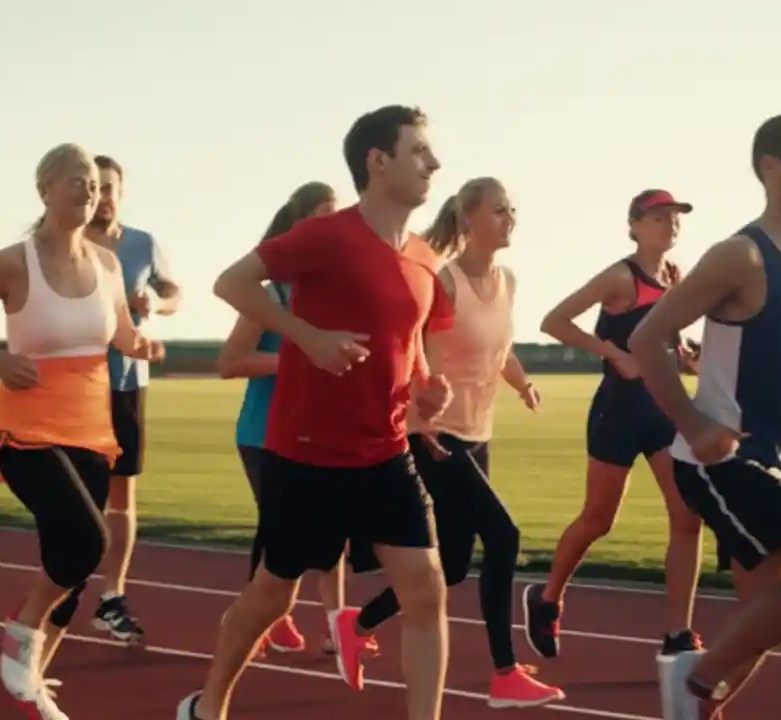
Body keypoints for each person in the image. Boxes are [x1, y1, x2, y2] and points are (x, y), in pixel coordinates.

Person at [177, 104, 456, 720]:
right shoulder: (327, 235)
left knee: (425, 591)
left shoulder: (423, 259)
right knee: (272, 596)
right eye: (419, 152)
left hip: (384, 453)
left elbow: (405, 345)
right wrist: (305, 335)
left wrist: (427, 389)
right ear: (377, 162)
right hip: (305, 456)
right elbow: (232, 282)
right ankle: (208, 705)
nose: (434, 163)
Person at [628, 115, 781, 719]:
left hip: (774, 461)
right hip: (721, 462)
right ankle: (691, 685)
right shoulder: (740, 255)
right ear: (771, 167)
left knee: (762, 618)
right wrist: (694, 424)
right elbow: (648, 337)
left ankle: (698, 704)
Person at [0, 143, 163, 720]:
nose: (89, 191)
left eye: (94, 183)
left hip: (92, 426)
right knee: (89, 542)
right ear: (43, 189)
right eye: (75, 181)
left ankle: (33, 677)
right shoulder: (15, 262)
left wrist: (145, 343)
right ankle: (21, 627)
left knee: (75, 562)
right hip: (27, 428)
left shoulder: (109, 266)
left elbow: (121, 337)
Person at [342, 177, 565, 708]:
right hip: (434, 434)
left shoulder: (507, 281)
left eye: (512, 209)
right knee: (504, 536)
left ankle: (359, 622)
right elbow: (410, 346)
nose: (510, 218)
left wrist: (521, 382)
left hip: (477, 432)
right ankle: (505, 673)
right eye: (498, 210)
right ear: (467, 220)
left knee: (457, 564)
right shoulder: (443, 281)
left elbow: (498, 348)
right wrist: (418, 421)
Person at [524, 189, 705, 666]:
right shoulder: (620, 277)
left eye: (675, 217)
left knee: (688, 516)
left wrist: (687, 357)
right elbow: (554, 321)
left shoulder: (674, 276)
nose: (669, 224)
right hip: (618, 413)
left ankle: (678, 633)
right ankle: (547, 599)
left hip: (663, 411)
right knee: (599, 520)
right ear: (634, 225)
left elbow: (669, 337)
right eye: (659, 217)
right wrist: (615, 354)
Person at [217, 181, 347, 658]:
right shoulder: (271, 294)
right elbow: (230, 362)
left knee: (333, 531)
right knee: (282, 532)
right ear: (299, 227)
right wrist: (299, 358)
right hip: (264, 433)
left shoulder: (336, 292)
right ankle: (257, 618)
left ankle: (336, 626)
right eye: (323, 217)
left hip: (321, 433)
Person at [81, 154, 181, 644]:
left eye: (109, 186)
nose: (103, 196)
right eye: (93, 187)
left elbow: (174, 291)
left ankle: (112, 596)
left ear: (122, 190)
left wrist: (157, 304)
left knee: (122, 497)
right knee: (82, 497)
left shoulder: (142, 244)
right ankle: (64, 583)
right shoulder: (69, 245)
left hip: (128, 384)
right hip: (77, 386)